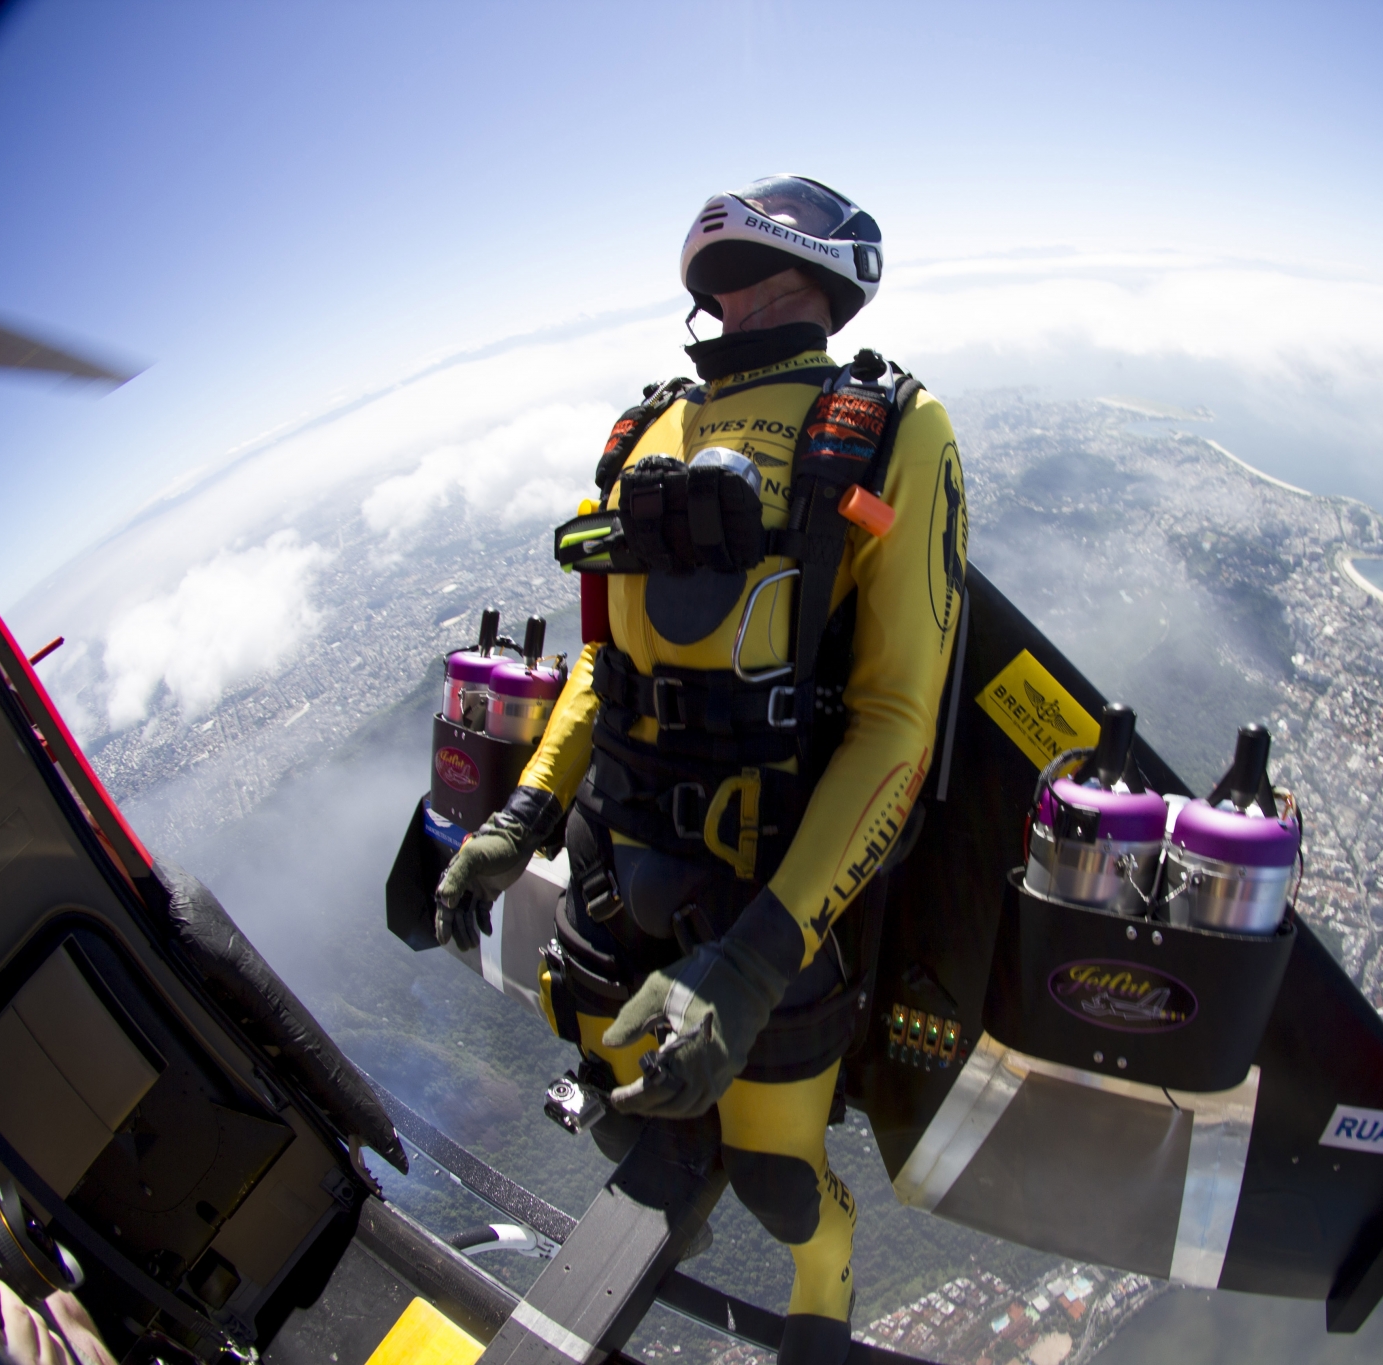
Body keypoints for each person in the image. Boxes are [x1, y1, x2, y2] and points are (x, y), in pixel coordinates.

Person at [438, 175, 967, 1365]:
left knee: (779, 1178)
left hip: (769, 890)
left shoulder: (893, 427)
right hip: (611, 871)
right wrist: (519, 820)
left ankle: (824, 1278)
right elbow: (604, 663)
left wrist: (753, 963)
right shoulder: (644, 428)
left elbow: (896, 723)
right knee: (628, 1124)